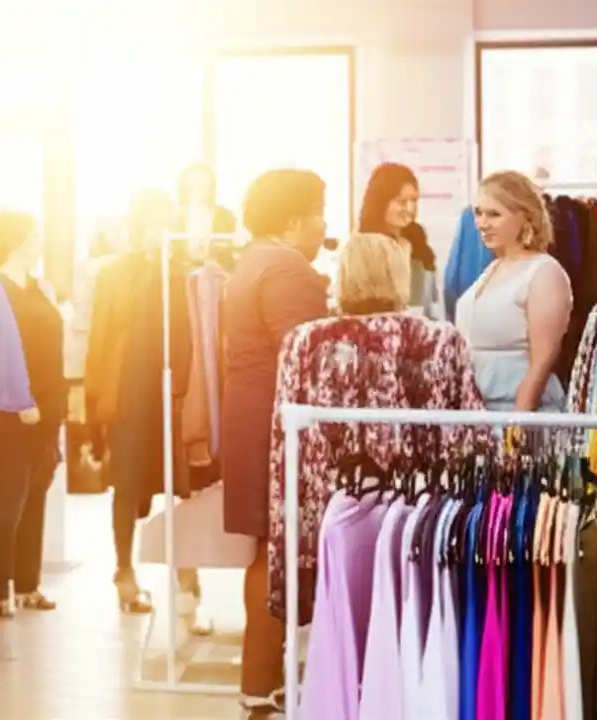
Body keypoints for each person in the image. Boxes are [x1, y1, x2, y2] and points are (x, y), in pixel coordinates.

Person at [219, 169, 329, 716]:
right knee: (277, 550)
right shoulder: (288, 269)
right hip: (277, 423)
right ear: (293, 219)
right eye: (319, 211)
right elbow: (303, 360)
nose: (324, 224)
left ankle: (261, 679)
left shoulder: (250, 263)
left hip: (247, 415)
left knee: (266, 548)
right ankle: (261, 682)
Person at [0, 211, 67, 617]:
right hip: (7, 411)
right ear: (16, 240)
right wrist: (16, 400)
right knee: (6, 503)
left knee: (37, 495)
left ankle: (28, 584)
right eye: (34, 234)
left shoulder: (42, 288)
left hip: (47, 406)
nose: (39, 241)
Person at [84, 188, 181, 614]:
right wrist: (91, 413)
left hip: (171, 389)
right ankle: (124, 569)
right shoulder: (115, 273)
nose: (158, 232)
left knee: (178, 485)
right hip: (126, 389)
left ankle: (185, 573)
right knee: (125, 484)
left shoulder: (180, 272)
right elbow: (100, 338)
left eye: (165, 223)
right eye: (152, 223)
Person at [455, 171, 572, 412]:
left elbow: (544, 358)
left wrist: (520, 419)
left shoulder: (543, 272)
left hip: (518, 414)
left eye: (494, 214)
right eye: (478, 213)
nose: (482, 223)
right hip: (480, 413)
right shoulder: (492, 269)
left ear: (525, 218)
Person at [357, 162, 440, 316]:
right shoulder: (361, 250)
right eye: (402, 202)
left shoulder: (419, 246)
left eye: (414, 201)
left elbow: (433, 305)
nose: (410, 209)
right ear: (381, 202)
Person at [177, 162, 237, 240]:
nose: (198, 190)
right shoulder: (175, 218)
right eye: (193, 186)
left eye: (204, 186)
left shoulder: (226, 216)